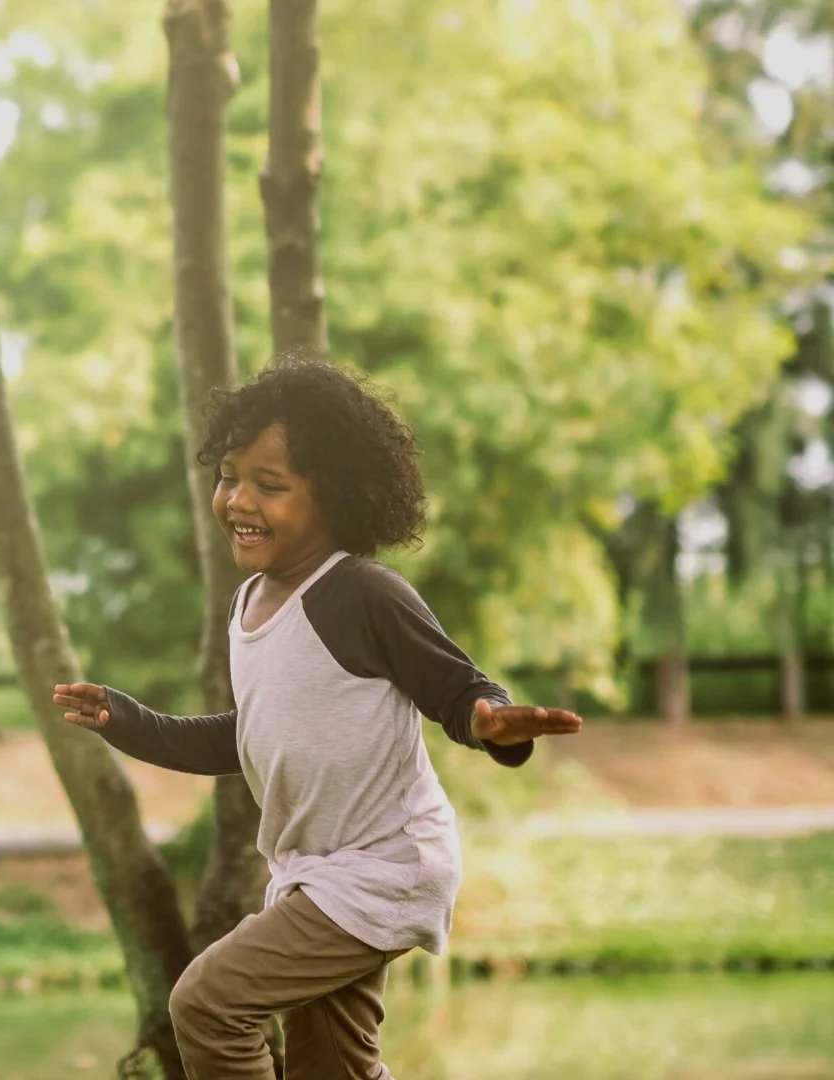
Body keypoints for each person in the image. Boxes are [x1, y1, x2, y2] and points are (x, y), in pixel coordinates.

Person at [53, 356, 582, 1080]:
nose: (239, 499)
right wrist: (130, 720)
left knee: (208, 1005)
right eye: (228, 475)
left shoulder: (361, 594)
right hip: (317, 874)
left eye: (270, 486)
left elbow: (458, 691)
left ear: (335, 496)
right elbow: (245, 739)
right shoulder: (251, 606)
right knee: (332, 1069)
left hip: (383, 870)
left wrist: (491, 722)